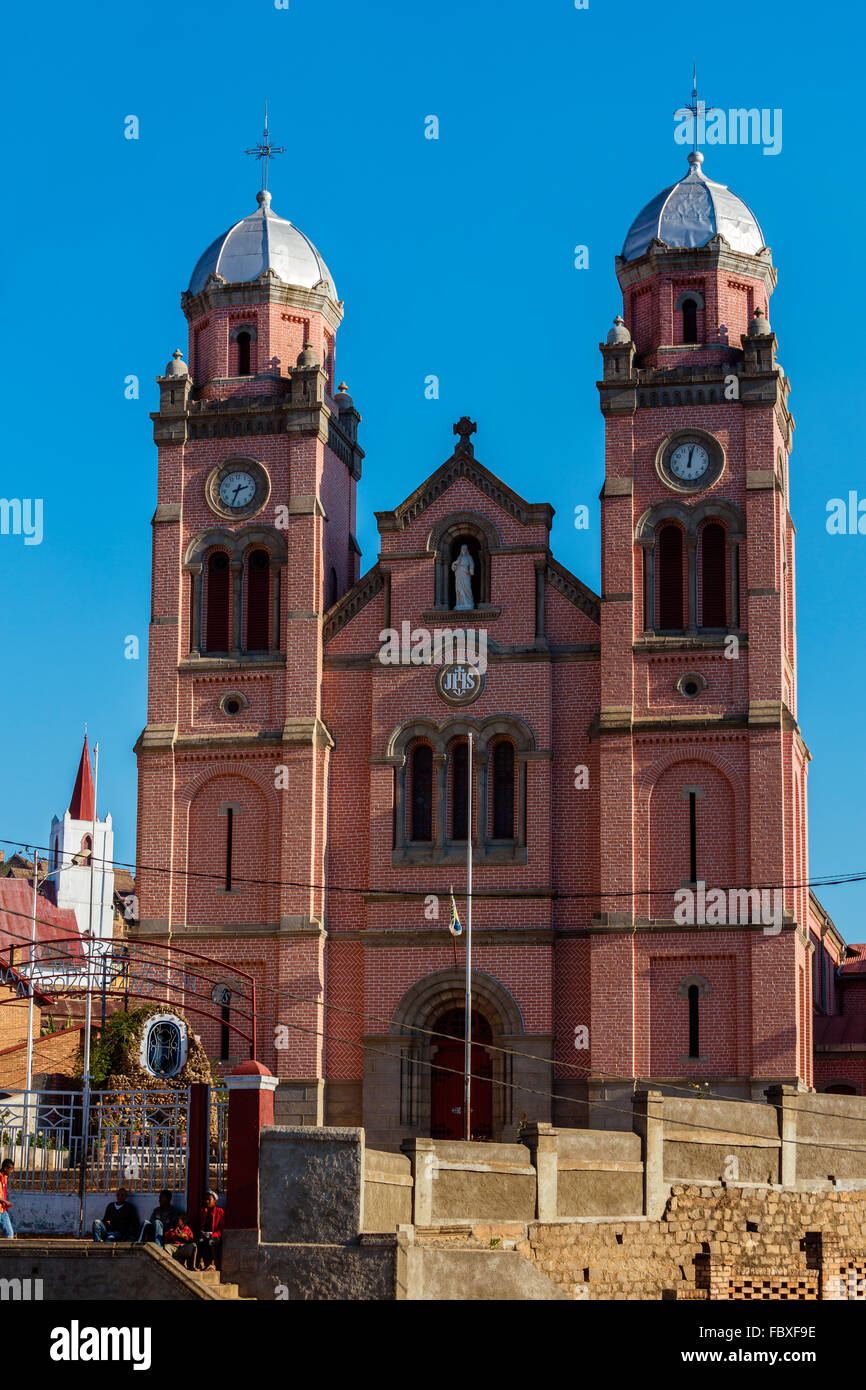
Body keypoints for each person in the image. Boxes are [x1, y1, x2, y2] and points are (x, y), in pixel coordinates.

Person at [195, 1191, 224, 1271]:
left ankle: (213, 1264)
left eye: (209, 1199)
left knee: (211, 1242)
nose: (207, 1201)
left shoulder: (220, 1211)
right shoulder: (204, 1211)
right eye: (206, 1199)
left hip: (215, 1236)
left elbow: (221, 1228)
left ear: (214, 1200)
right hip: (205, 1234)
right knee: (200, 1241)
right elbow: (201, 1225)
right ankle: (199, 1263)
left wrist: (214, 1235)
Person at [0, 1159, 14, 1239]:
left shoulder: (4, 1177)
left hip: (2, 1210)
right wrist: (6, 1202)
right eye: (10, 1169)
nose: (11, 1171)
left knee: (9, 1233)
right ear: (5, 1168)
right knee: (9, 1233)